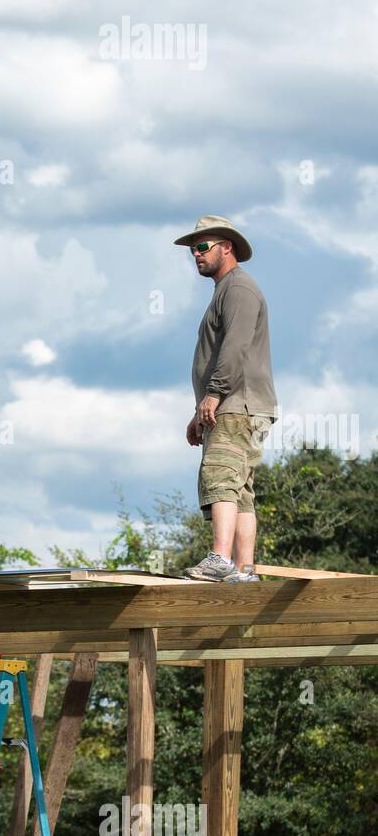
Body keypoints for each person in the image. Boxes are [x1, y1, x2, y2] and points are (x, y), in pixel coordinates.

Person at [174, 214, 279, 583]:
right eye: (192, 250)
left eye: (202, 247)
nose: (196, 255)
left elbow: (234, 348)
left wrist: (214, 395)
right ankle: (244, 570)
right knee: (239, 489)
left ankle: (219, 558)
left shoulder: (238, 289)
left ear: (227, 247)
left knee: (219, 476)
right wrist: (200, 410)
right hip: (238, 405)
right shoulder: (229, 289)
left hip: (236, 404)